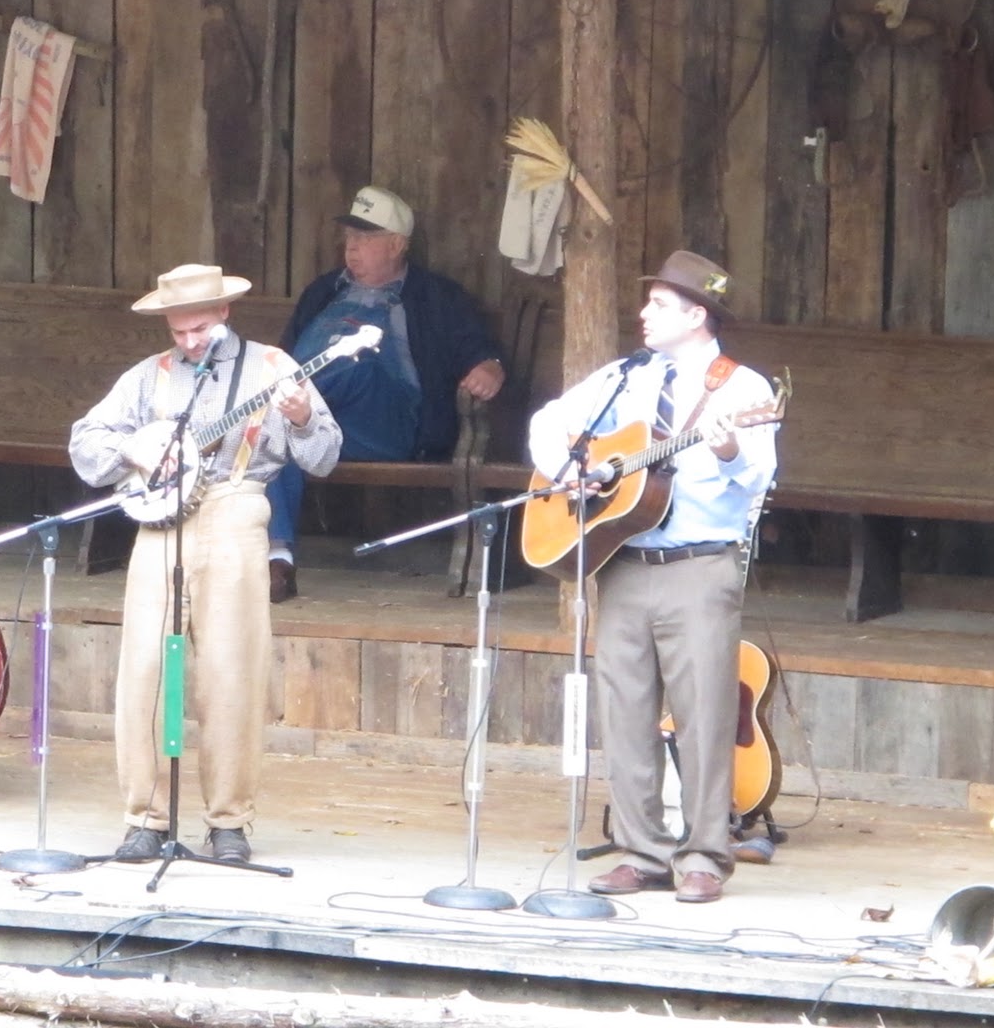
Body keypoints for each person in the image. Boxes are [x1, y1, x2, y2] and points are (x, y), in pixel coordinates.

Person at [526, 250, 778, 905]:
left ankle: (703, 855)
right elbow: (549, 423)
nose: (644, 313)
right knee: (625, 709)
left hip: (698, 567)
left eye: (659, 305)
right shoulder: (628, 375)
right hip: (626, 562)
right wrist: (570, 471)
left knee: (704, 715)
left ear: (697, 315)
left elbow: (754, 475)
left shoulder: (744, 389)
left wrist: (724, 445)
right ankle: (642, 853)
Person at [69, 264, 342, 863]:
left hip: (236, 511)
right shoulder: (150, 377)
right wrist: (131, 447)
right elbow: (85, 445)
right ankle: (145, 818)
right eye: (178, 329)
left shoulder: (274, 369)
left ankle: (228, 824)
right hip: (158, 527)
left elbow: (324, 457)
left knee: (231, 673)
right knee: (144, 670)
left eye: (199, 327)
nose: (189, 340)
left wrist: (299, 417)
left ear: (224, 314)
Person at [264, 186, 505, 602]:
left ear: (397, 245)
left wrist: (489, 367)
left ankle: (275, 410)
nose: (351, 248)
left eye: (365, 239)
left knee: (356, 366)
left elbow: (481, 354)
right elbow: (283, 359)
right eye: (349, 238)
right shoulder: (323, 291)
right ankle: (278, 560)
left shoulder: (436, 296)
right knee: (277, 435)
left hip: (388, 423)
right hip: (318, 427)